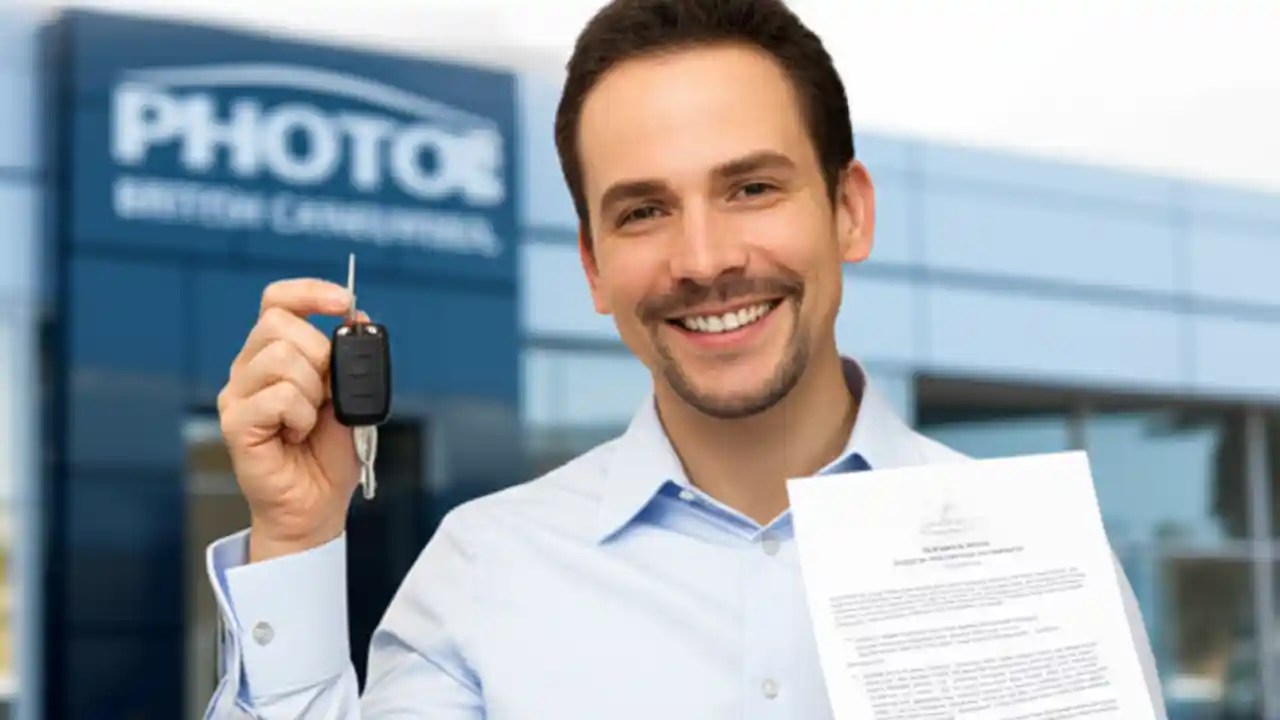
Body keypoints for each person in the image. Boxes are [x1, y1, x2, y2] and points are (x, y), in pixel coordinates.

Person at [203, 0, 1169, 717]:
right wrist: (295, 537)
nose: (705, 261)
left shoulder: (1041, 565)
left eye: (750, 187)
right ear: (593, 264)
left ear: (850, 211)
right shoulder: (480, 572)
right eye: (644, 210)